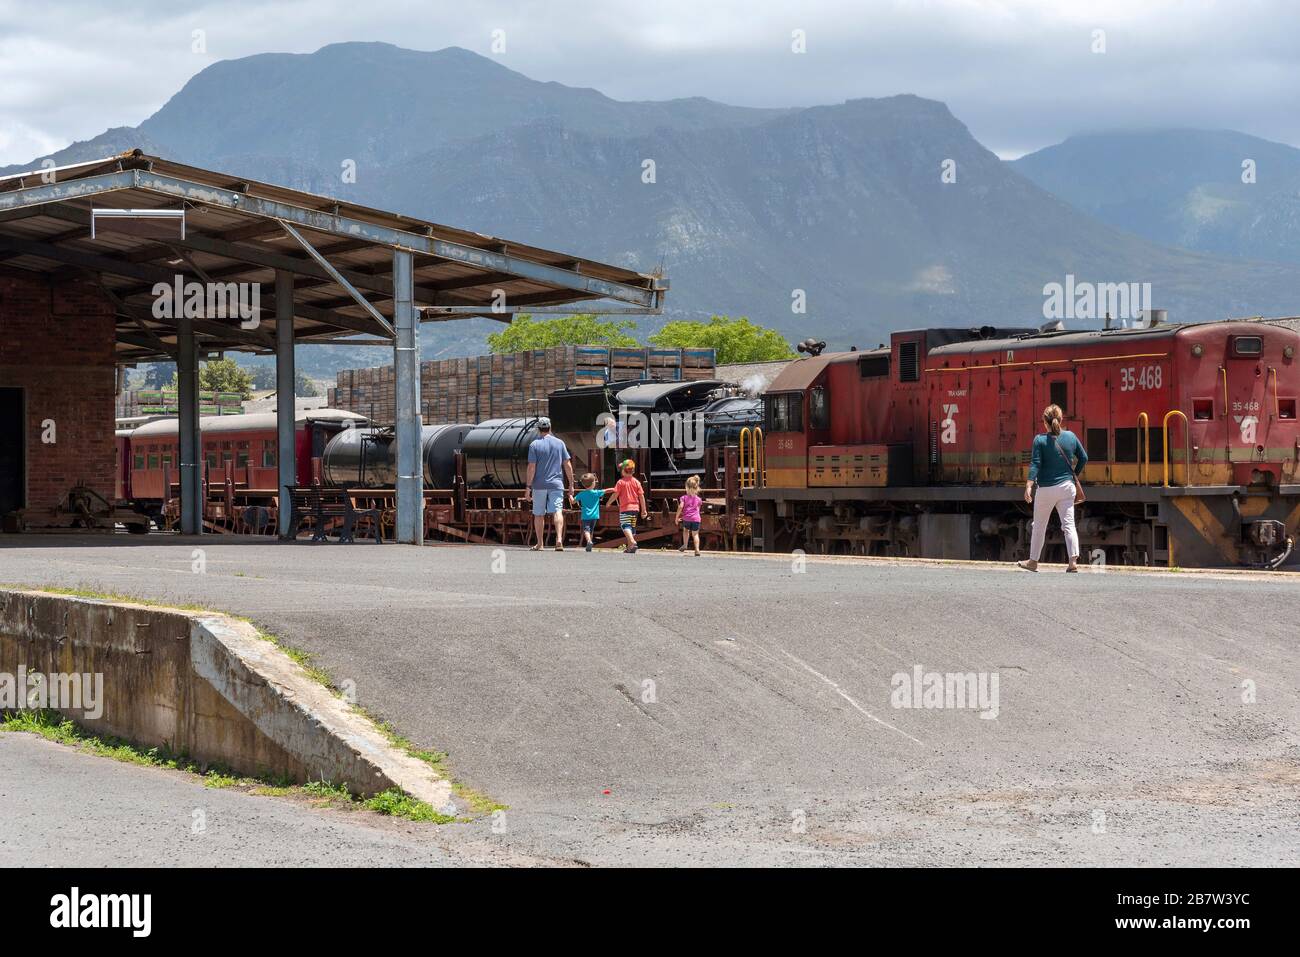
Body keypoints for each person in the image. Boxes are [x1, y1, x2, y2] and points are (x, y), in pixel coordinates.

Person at [1017, 403, 1088, 573]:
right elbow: (1084, 457)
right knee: (1069, 524)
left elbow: (1035, 463)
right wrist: (1073, 475)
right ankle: (1073, 563)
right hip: (1066, 487)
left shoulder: (1040, 440)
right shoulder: (1071, 436)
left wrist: (1028, 484)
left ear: (1044, 421)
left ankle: (1033, 562)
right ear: (1061, 419)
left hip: (1046, 490)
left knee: (1039, 526)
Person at [524, 417, 575, 551]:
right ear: (550, 428)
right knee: (557, 511)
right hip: (556, 484)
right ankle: (558, 539)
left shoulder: (534, 445)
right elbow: (567, 464)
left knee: (539, 514)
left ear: (538, 429)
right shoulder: (560, 443)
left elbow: (531, 467)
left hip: (539, 485)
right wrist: (571, 484)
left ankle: (540, 544)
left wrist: (528, 487)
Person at [608, 458, 648, 553]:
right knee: (632, 528)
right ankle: (630, 547)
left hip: (625, 509)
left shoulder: (620, 482)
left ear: (623, 471)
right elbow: (641, 496)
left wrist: (609, 502)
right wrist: (644, 510)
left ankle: (633, 542)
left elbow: (615, 494)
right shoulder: (637, 482)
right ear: (633, 471)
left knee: (625, 526)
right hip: (635, 509)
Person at [573, 472, 608, 552]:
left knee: (586, 530)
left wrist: (570, 496)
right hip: (595, 516)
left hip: (585, 516)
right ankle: (590, 542)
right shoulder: (596, 492)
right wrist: (615, 489)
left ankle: (589, 541)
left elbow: (573, 502)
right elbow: (606, 491)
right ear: (593, 483)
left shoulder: (581, 494)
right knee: (591, 530)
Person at [676, 475, 703, 556]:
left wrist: (677, 517)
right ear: (696, 488)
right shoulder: (699, 499)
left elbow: (680, 507)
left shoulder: (683, 498)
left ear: (687, 487)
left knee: (686, 530)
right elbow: (698, 509)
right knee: (695, 534)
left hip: (687, 519)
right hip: (696, 519)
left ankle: (685, 545)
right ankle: (697, 550)